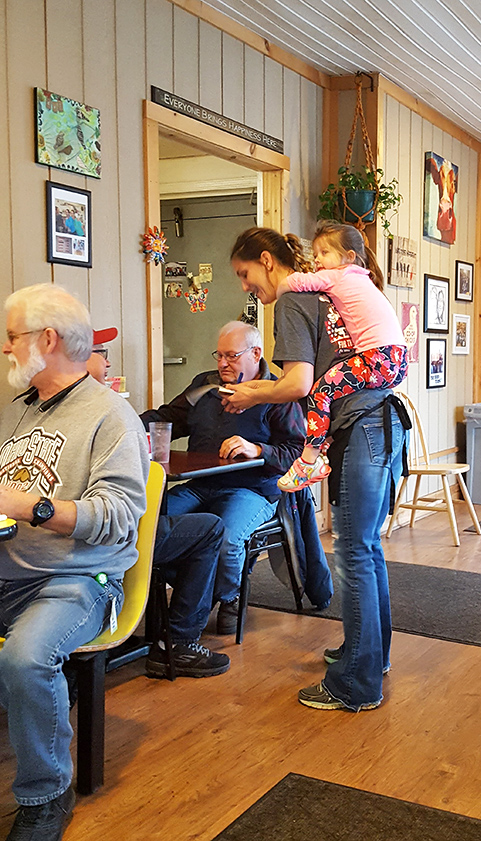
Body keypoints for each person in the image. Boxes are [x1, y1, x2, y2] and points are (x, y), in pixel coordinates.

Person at [228, 227, 409, 712]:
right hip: (385, 421)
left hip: (361, 425)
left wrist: (250, 395)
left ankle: (356, 684)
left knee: (354, 551)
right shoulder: (325, 288)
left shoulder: (291, 298)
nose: (245, 286)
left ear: (267, 261)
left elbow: (298, 383)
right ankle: (368, 656)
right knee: (366, 549)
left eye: (245, 274)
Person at [0, 284, 148, 840]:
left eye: (11, 336)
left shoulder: (111, 416)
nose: (6, 348)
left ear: (47, 339)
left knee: (26, 658)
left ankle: (46, 795)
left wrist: (31, 506)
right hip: (8, 570)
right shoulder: (16, 412)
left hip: (77, 580)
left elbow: (118, 515)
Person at [140, 321, 307, 635]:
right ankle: (193, 592)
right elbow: (168, 417)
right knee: (148, 521)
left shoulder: (279, 393)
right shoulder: (205, 386)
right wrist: (124, 423)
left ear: (255, 354)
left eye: (231, 356)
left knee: (228, 539)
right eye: (219, 355)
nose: (222, 363)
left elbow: (296, 453)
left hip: (253, 489)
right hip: (200, 485)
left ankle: (230, 596)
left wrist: (257, 449)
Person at [86, 330, 231, 678]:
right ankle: (177, 643)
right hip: (104, 533)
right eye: (100, 352)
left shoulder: (34, 407)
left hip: (247, 484)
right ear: (75, 355)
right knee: (209, 529)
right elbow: (168, 418)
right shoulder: (104, 407)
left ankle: (222, 602)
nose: (108, 362)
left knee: (209, 526)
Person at [274, 221, 407, 492]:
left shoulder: (339, 276)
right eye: (316, 254)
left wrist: (278, 290)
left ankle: (308, 461)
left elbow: (297, 282)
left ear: (349, 257)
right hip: (396, 360)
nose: (317, 260)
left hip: (377, 357)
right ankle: (321, 447)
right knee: (333, 389)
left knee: (320, 391)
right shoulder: (364, 280)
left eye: (324, 253)